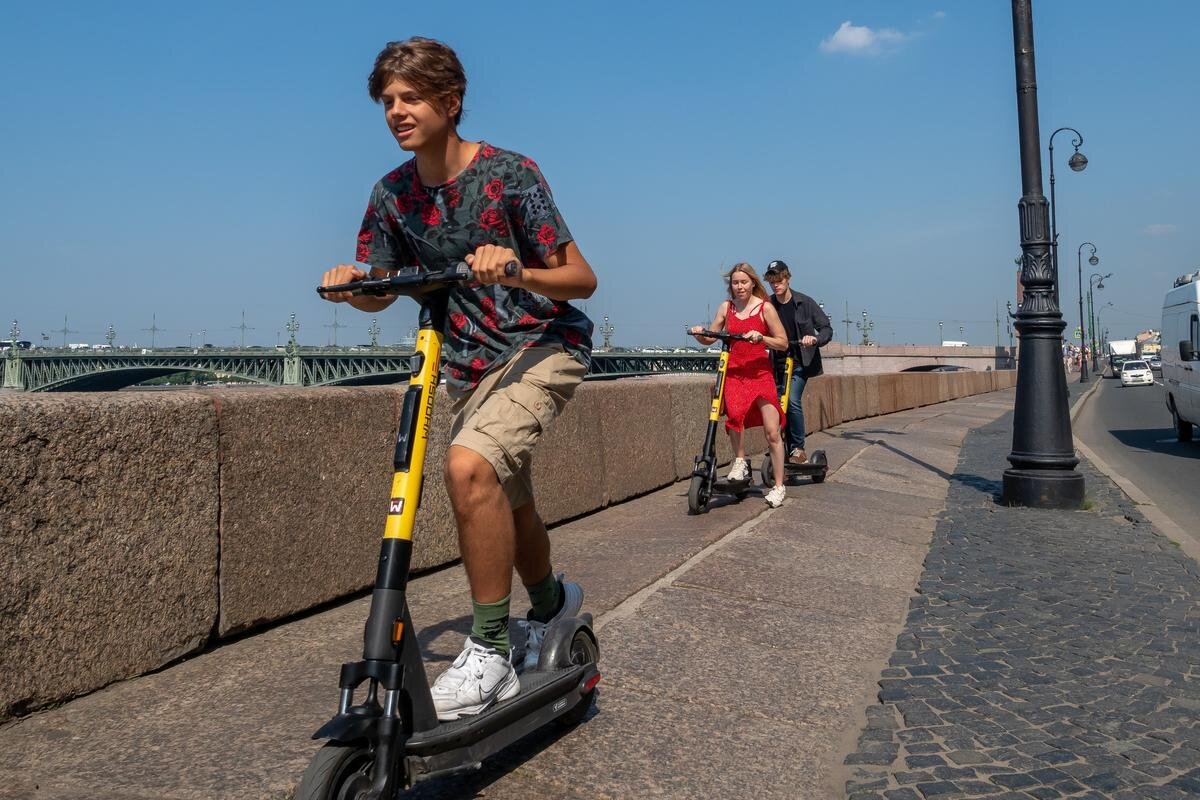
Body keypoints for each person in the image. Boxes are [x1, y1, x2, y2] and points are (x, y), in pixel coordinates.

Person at [319, 37, 597, 721]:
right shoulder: (391, 196)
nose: (396, 111)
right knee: (508, 497)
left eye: (410, 97)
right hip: (468, 366)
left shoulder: (511, 175)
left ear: (451, 101)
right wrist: (353, 285)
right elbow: (383, 288)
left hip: (540, 345)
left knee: (468, 467)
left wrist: (514, 270)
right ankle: (552, 607)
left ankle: (492, 650)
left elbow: (581, 280)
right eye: (387, 100)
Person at [689, 263, 789, 508]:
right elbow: (711, 338)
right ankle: (740, 462)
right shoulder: (727, 308)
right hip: (734, 372)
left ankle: (778, 485)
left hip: (759, 374)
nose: (739, 286)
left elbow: (783, 343)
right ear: (730, 285)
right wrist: (699, 333)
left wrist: (761, 337)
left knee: (772, 431)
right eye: (735, 283)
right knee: (734, 417)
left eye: (744, 282)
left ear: (753, 282)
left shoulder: (765, 308)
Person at [763, 260, 833, 465]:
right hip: (776, 364)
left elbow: (826, 329)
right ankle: (778, 447)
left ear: (787, 278)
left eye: (779, 279)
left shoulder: (804, 302)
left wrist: (815, 339)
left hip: (799, 362)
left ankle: (797, 448)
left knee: (791, 400)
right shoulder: (768, 306)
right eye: (772, 281)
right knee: (774, 406)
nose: (776, 284)